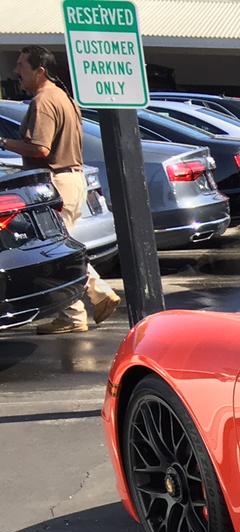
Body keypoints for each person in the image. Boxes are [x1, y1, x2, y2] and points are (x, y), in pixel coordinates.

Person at [2, 46, 120, 333]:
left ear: (39, 70)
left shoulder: (44, 101)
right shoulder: (64, 97)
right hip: (71, 178)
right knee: (60, 246)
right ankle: (76, 312)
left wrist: (4, 143)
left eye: (21, 65)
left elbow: (40, 148)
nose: (17, 71)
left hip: (54, 183)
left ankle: (95, 298)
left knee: (55, 249)